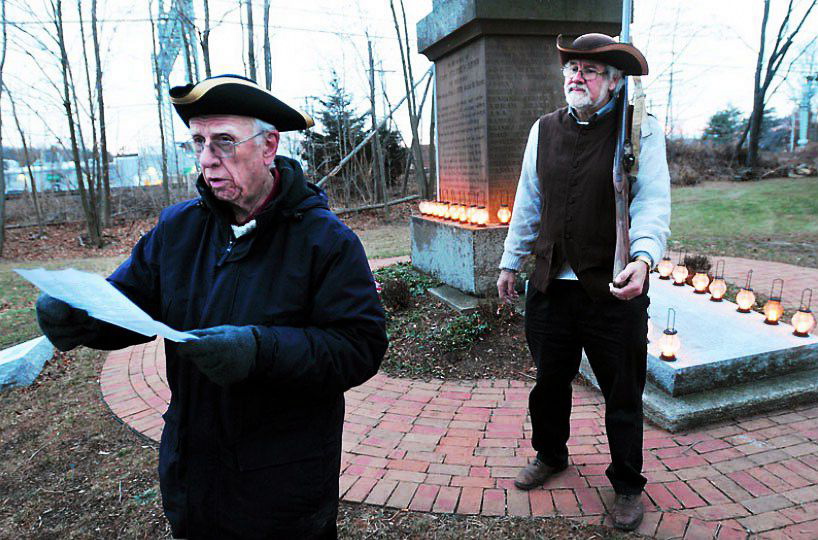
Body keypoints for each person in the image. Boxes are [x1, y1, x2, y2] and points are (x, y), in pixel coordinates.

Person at [35, 74, 388, 539]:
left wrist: (259, 350)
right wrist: (82, 317)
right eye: (198, 142)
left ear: (268, 146)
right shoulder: (178, 228)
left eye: (223, 142)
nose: (206, 160)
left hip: (282, 487)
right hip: (194, 475)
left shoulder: (326, 241)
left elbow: (359, 346)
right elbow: (133, 304)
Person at [496, 34, 670, 531]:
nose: (576, 76)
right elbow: (529, 201)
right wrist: (511, 263)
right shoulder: (544, 130)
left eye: (590, 70)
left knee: (622, 390)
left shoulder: (640, 132)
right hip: (551, 283)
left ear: (614, 81)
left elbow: (652, 201)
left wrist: (644, 259)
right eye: (571, 67)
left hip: (614, 288)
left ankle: (627, 484)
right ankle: (551, 454)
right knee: (549, 382)